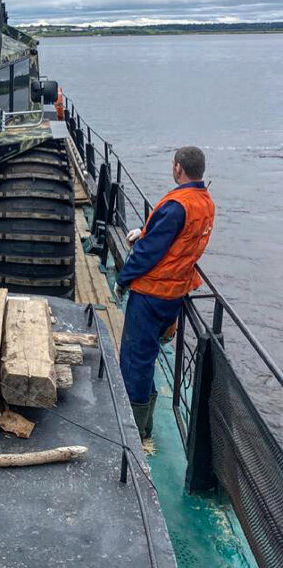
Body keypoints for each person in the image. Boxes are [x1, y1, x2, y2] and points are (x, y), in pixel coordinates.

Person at [114, 146, 215, 441]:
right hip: (176, 291)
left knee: (136, 358)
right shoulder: (205, 203)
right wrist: (144, 231)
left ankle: (134, 431)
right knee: (149, 354)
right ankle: (144, 422)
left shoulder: (177, 205)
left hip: (151, 292)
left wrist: (123, 279)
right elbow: (177, 242)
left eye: (173, 164)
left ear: (179, 168)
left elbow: (149, 251)